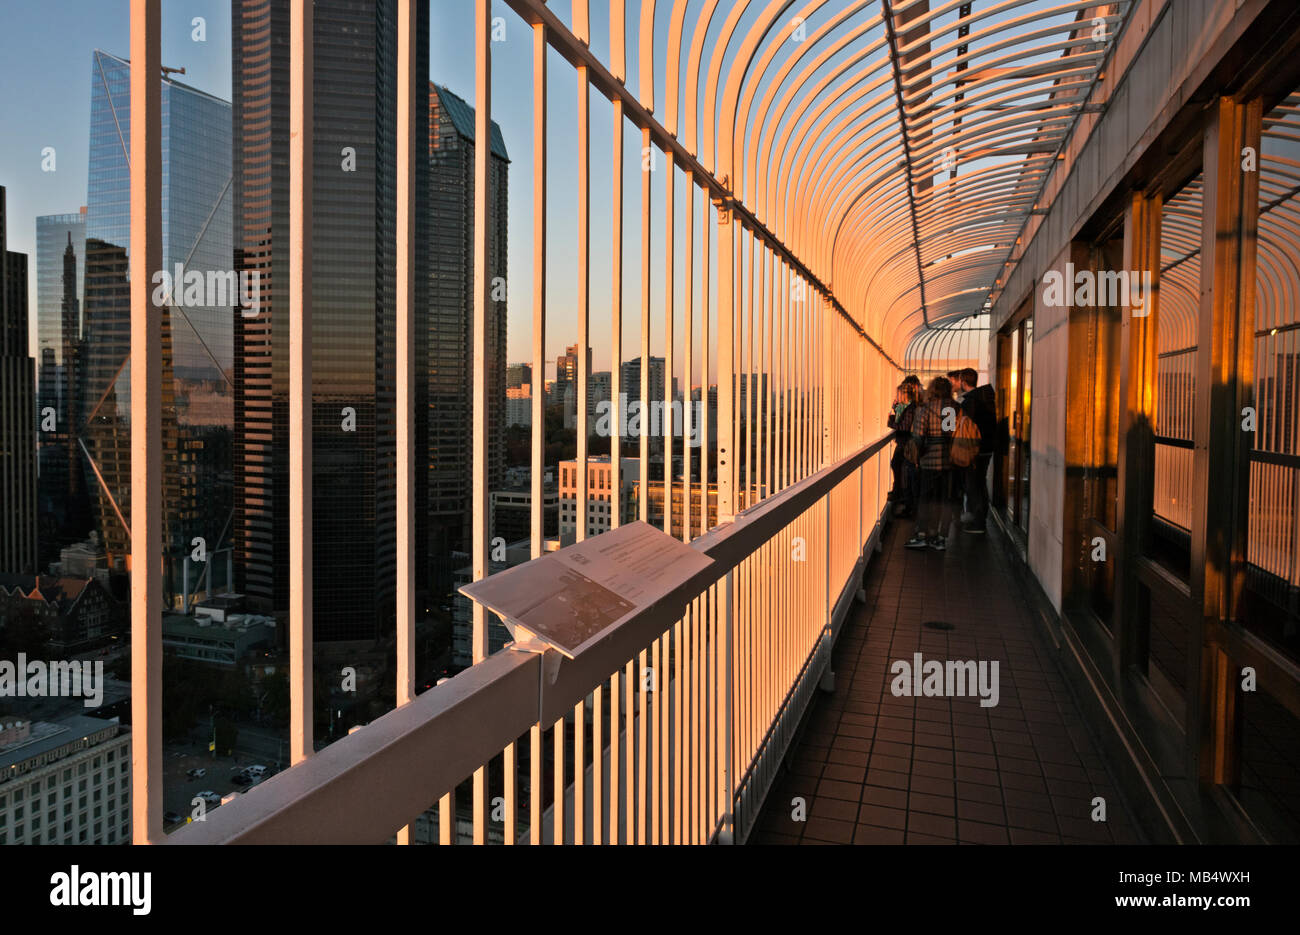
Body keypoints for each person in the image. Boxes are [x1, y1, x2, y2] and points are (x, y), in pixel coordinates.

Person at [904, 376, 957, 551]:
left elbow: (918, 437)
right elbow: (953, 432)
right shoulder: (954, 408)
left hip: (929, 461)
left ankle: (923, 535)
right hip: (950, 460)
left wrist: (915, 458)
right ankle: (941, 537)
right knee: (945, 500)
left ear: (933, 390)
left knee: (926, 499)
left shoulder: (925, 409)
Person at [955, 367, 997, 534]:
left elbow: (954, 426)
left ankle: (977, 522)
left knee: (973, 485)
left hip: (973, 449)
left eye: (957, 381)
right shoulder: (985, 398)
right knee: (980, 483)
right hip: (986, 447)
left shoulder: (969, 402)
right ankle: (979, 519)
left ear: (963, 382)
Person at [888, 381, 919, 517]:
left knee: (901, 469)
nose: (897, 396)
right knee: (901, 469)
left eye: (898, 393)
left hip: (906, 444)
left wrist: (890, 422)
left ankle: (903, 499)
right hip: (906, 444)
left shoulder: (911, 408)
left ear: (905, 394)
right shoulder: (909, 407)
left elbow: (903, 426)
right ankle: (901, 495)